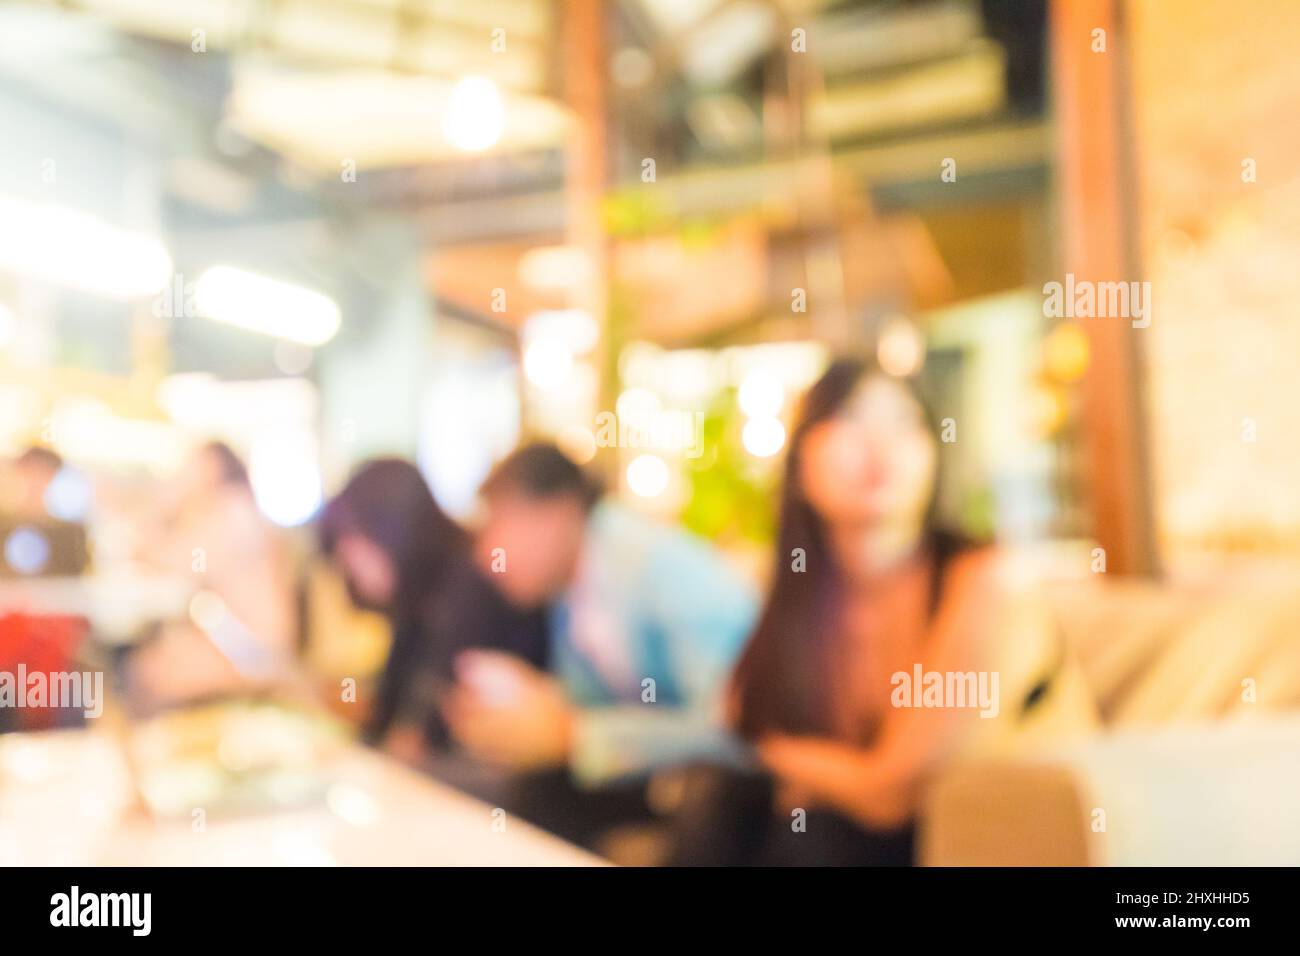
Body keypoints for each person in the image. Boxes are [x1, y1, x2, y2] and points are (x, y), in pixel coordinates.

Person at [671, 357, 1096, 865]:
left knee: (813, 834)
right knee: (725, 796)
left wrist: (785, 760)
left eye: (902, 421)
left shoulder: (982, 579)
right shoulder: (801, 589)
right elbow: (742, 714)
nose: (879, 446)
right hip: (866, 832)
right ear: (800, 464)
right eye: (850, 419)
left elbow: (891, 794)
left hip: (992, 838)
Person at [444, 443, 757, 796]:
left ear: (560, 512)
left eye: (502, 522)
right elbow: (592, 711)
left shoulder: (659, 568)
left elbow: (736, 727)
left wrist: (573, 736)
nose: (488, 554)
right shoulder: (570, 590)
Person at [320, 458, 547, 763]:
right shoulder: (417, 599)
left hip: (503, 777)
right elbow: (387, 710)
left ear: (393, 528)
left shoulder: (468, 585)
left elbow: (422, 735)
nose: (350, 562)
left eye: (356, 542)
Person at [130, 441, 297, 706]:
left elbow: (175, 562)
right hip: (235, 642)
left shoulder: (232, 509)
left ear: (213, 468)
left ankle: (180, 744)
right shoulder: (229, 507)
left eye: (191, 466)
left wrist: (162, 506)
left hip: (251, 652)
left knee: (147, 672)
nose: (182, 474)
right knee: (150, 664)